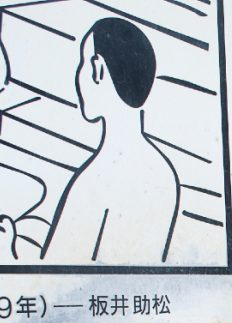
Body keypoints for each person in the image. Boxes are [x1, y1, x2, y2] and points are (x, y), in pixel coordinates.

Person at [40, 17, 179, 265]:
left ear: (97, 69)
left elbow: (58, 278)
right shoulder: (163, 171)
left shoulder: (96, 178)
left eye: (82, 64)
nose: (78, 77)